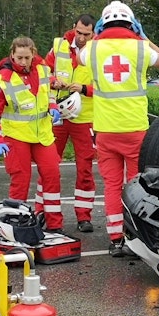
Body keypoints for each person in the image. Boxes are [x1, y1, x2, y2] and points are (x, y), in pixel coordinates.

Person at [81, 1, 159, 256]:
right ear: (132, 24)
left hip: (105, 130)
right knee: (135, 185)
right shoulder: (140, 47)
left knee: (111, 185)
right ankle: (135, 237)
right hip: (134, 128)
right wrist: (144, 36)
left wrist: (97, 35)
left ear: (102, 24)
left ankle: (115, 238)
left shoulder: (93, 48)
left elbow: (80, 56)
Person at [0, 37, 64, 232]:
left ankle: (54, 224)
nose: (22, 62)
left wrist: (53, 106)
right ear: (12, 54)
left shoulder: (43, 70)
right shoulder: (4, 78)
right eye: (19, 57)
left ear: (33, 55)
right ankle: (16, 224)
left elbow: (49, 93)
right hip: (16, 136)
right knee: (20, 179)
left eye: (26, 58)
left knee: (52, 175)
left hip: (42, 135)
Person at [43, 14, 97, 233]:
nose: (82, 38)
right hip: (58, 114)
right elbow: (43, 72)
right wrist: (54, 81)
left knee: (85, 169)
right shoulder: (59, 45)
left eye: (87, 34)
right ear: (73, 28)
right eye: (79, 33)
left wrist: (84, 89)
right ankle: (45, 213)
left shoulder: (98, 51)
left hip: (85, 117)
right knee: (49, 166)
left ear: (94, 33)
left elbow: (106, 86)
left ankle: (84, 216)